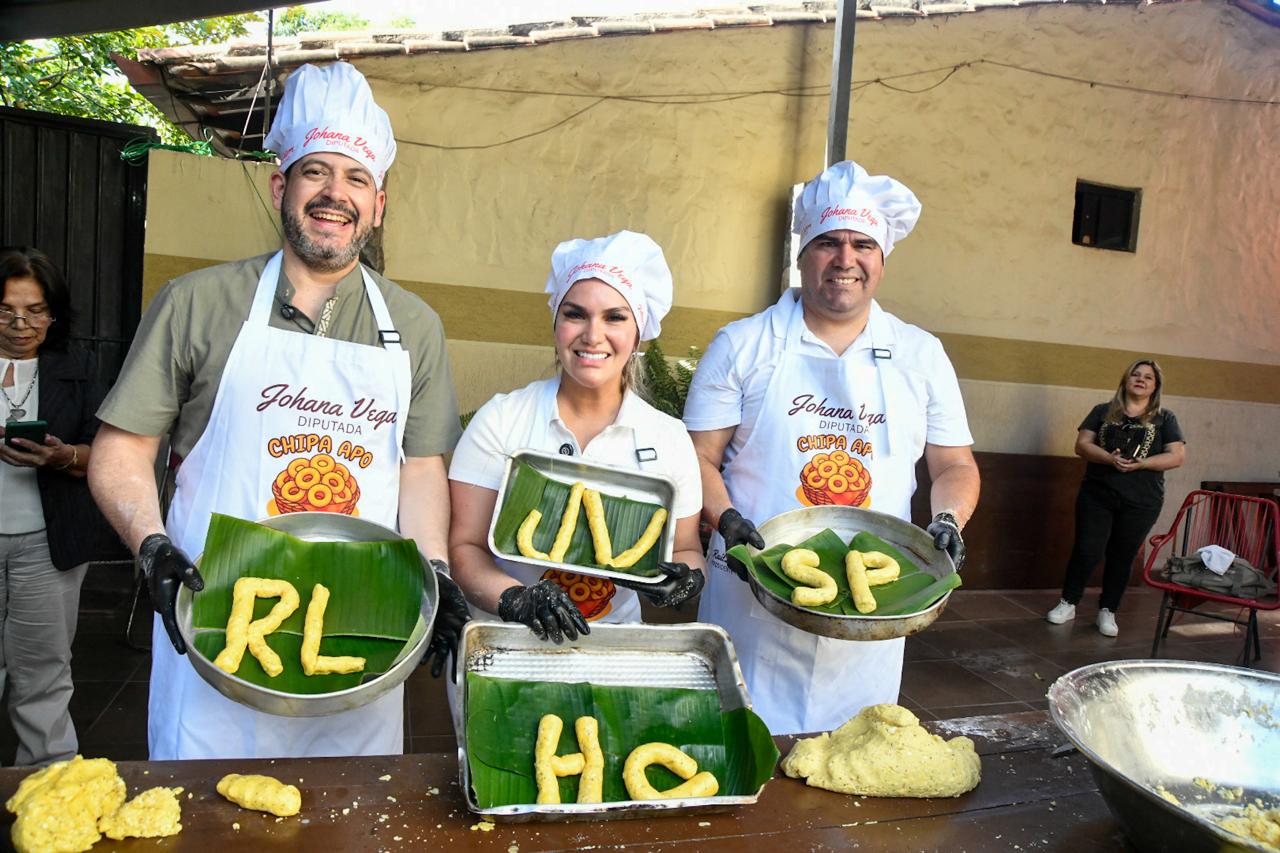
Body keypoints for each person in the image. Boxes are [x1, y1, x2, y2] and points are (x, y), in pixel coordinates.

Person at [87, 62, 471, 760]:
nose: (335, 194)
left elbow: (419, 470)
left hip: (360, 632)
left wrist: (437, 571)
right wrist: (151, 543)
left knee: (348, 817)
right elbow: (122, 449)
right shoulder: (199, 303)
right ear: (281, 186)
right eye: (315, 172)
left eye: (356, 179)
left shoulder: (414, 327)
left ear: (378, 205)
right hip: (215, 622)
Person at [683, 160, 981, 735]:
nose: (846, 260)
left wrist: (949, 519)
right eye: (828, 243)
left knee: (851, 764)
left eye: (862, 244)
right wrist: (727, 520)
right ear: (803, 254)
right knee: (741, 750)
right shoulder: (743, 345)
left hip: (868, 608)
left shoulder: (921, 355)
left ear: (882, 259)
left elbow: (955, 464)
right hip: (755, 596)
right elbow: (698, 457)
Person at [448, 231, 706, 641]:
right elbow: (464, 547)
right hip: (504, 642)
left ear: (639, 334)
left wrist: (687, 581)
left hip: (613, 647)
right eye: (575, 314)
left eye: (615, 317)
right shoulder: (501, 419)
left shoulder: (669, 437)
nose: (592, 334)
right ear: (555, 324)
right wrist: (515, 598)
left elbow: (687, 549)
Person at [0, 246, 119, 765]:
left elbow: (110, 451)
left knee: (43, 671)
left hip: (47, 545)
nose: (21, 324)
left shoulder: (79, 367)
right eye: (6, 311)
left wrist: (62, 454)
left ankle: (49, 785)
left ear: (54, 313)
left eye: (35, 311)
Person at [1046, 359, 1185, 637]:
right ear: (1126, 379)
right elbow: (1082, 445)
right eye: (1136, 374)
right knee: (1087, 549)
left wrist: (1141, 464)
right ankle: (1068, 603)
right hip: (1097, 493)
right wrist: (1110, 459)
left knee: (1122, 555)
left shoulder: (1165, 418)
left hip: (1142, 500)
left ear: (1155, 387)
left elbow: (1177, 456)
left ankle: (1107, 611)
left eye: (1148, 377)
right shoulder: (1102, 411)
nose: (1141, 380)